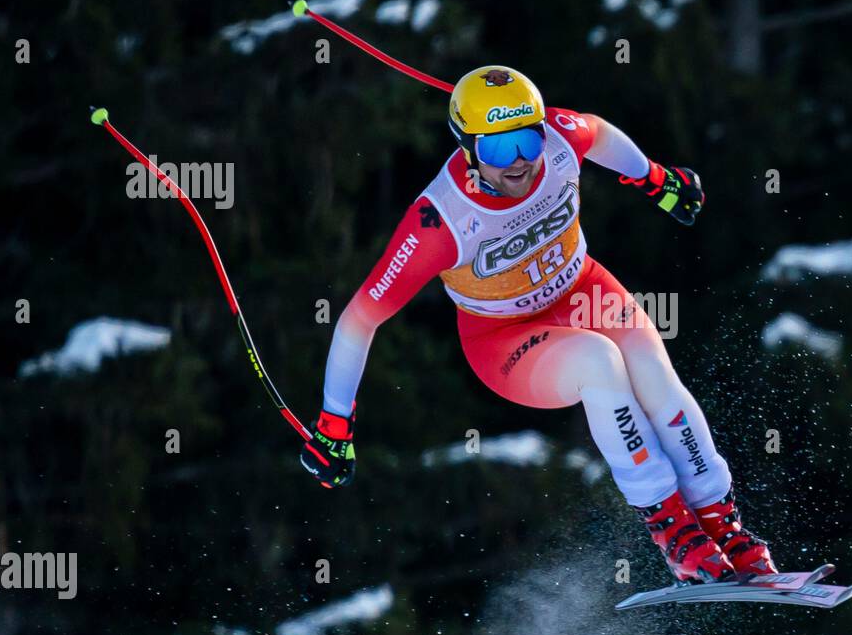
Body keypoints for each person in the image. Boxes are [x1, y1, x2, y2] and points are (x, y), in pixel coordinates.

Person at [300, 66, 777, 583]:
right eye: (499, 151)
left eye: (528, 139)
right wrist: (334, 423)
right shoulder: (440, 221)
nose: (521, 161)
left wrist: (654, 178)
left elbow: (597, 131)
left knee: (658, 381)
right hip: (505, 339)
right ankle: (672, 529)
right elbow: (358, 319)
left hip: (583, 289)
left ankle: (724, 526)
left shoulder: (558, 141)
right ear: (468, 149)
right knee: (600, 364)